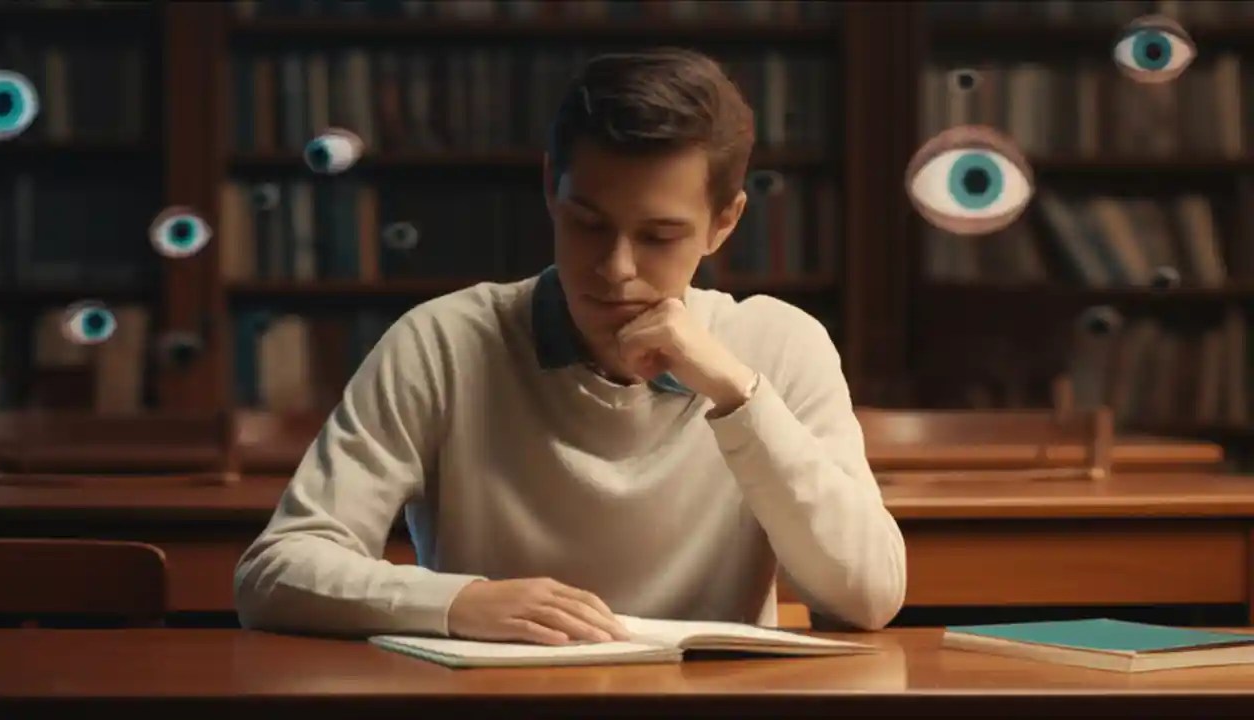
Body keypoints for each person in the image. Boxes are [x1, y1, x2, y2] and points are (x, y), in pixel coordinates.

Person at [234, 47, 907, 645]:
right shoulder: (442, 340)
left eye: (658, 237)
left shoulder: (780, 344)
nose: (615, 269)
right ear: (550, 185)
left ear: (723, 223)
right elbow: (277, 569)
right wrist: (459, 601)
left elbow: (867, 596)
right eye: (589, 224)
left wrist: (739, 396)